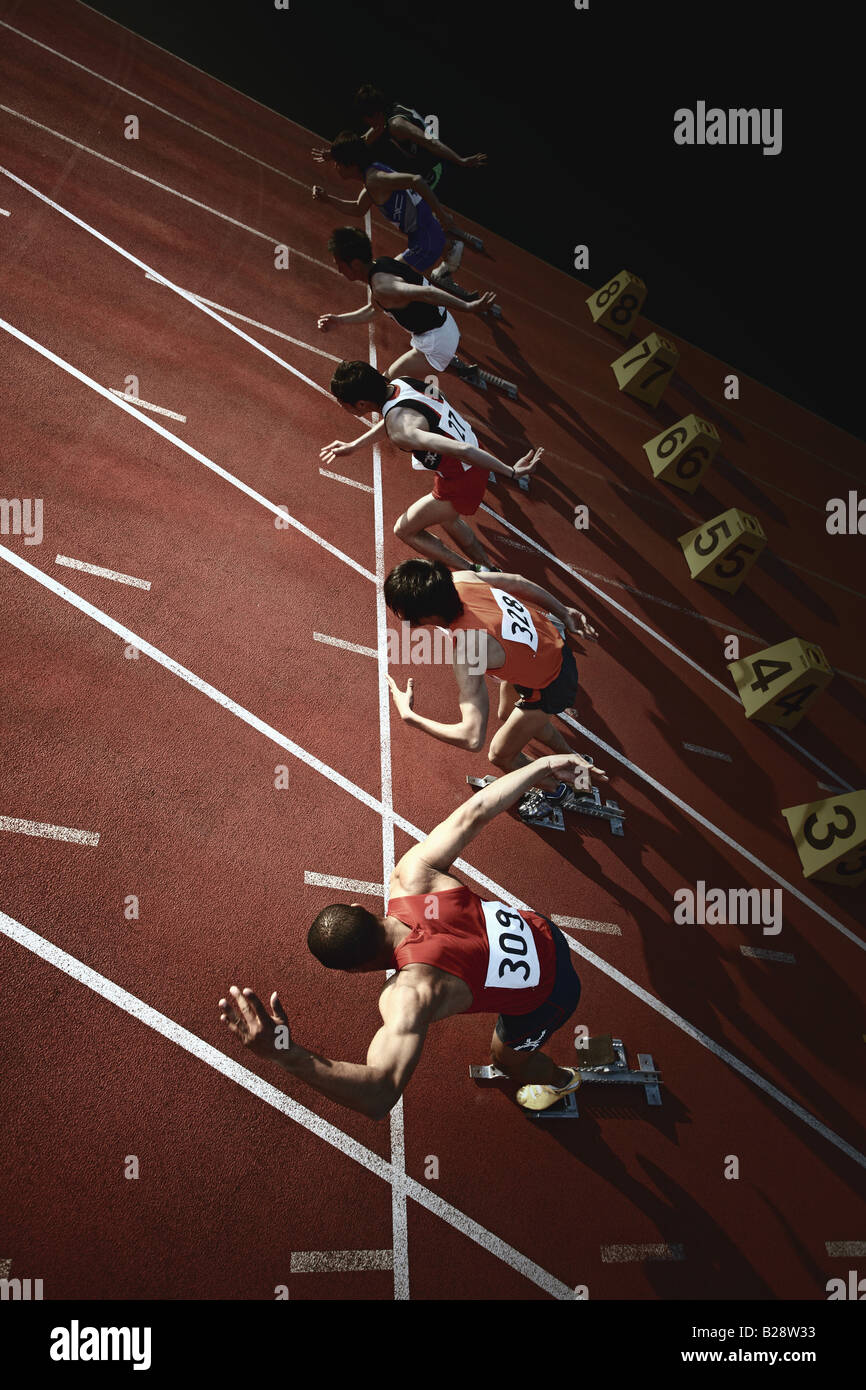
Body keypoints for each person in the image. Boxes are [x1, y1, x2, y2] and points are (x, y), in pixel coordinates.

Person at [218, 753, 596, 1118]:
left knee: (506, 1059)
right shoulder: (413, 875)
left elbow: (380, 1094)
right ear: (357, 908)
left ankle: (562, 1080)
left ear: (356, 971)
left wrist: (283, 1052)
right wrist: (544, 765)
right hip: (542, 928)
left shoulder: (410, 994)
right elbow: (477, 810)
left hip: (550, 993)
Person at [383, 559, 599, 797]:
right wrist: (563, 611)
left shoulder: (469, 649)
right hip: (548, 647)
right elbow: (518, 582)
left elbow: (472, 737)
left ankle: (557, 791)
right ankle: (574, 759)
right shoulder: (460, 580)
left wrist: (410, 716)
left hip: (549, 683)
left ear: (425, 614)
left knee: (500, 755)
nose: (398, 615)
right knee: (507, 714)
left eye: (400, 610)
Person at [327, 360, 540, 569]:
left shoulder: (402, 431)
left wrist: (511, 472)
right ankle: (487, 567)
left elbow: (461, 451)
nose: (339, 404)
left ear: (361, 404)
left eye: (340, 401)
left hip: (462, 476)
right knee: (448, 519)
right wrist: (354, 446)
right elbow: (413, 412)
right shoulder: (402, 383)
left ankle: (477, 573)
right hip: (470, 454)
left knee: (404, 530)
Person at [318, 226, 494, 402]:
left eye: (340, 266)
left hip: (436, 342)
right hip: (442, 327)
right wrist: (339, 320)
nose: (339, 271)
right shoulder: (382, 264)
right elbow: (373, 310)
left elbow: (427, 293)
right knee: (399, 379)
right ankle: (448, 368)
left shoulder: (383, 288)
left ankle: (433, 400)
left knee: (384, 387)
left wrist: (468, 306)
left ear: (355, 264)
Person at [312, 132, 455, 276]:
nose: (335, 166)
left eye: (338, 163)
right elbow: (358, 208)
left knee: (388, 279)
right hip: (421, 237)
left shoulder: (375, 180)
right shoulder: (371, 174)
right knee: (402, 285)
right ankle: (448, 254)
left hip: (426, 240)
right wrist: (328, 199)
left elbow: (416, 180)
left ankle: (449, 252)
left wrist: (442, 216)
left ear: (352, 165)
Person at [311, 85, 486, 194]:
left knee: (422, 216)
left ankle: (454, 243)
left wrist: (460, 161)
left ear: (376, 114)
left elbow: (431, 142)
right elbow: (362, 143)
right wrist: (335, 154)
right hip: (424, 170)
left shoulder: (397, 124)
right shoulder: (385, 118)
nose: (368, 124)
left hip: (435, 171)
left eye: (368, 120)